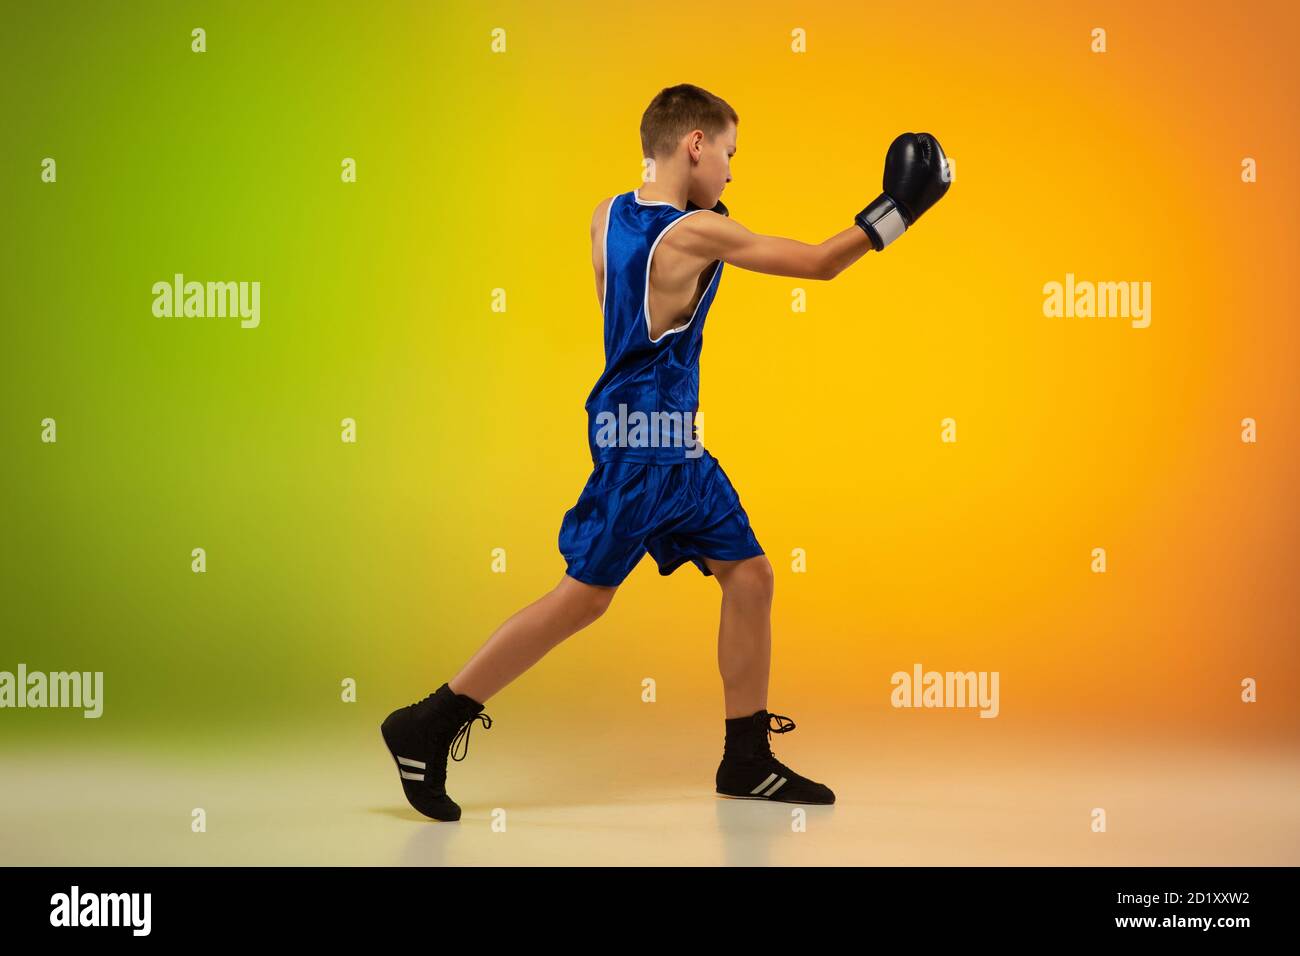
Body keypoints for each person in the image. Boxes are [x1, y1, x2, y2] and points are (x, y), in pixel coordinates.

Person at [381, 83, 951, 821]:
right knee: (582, 599)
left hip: (662, 441)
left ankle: (746, 759)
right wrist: (901, 210)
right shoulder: (692, 236)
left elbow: (625, 321)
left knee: (749, 576)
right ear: (695, 146)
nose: (731, 173)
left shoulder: (607, 214)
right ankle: (427, 723)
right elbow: (817, 263)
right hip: (648, 452)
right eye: (728, 154)